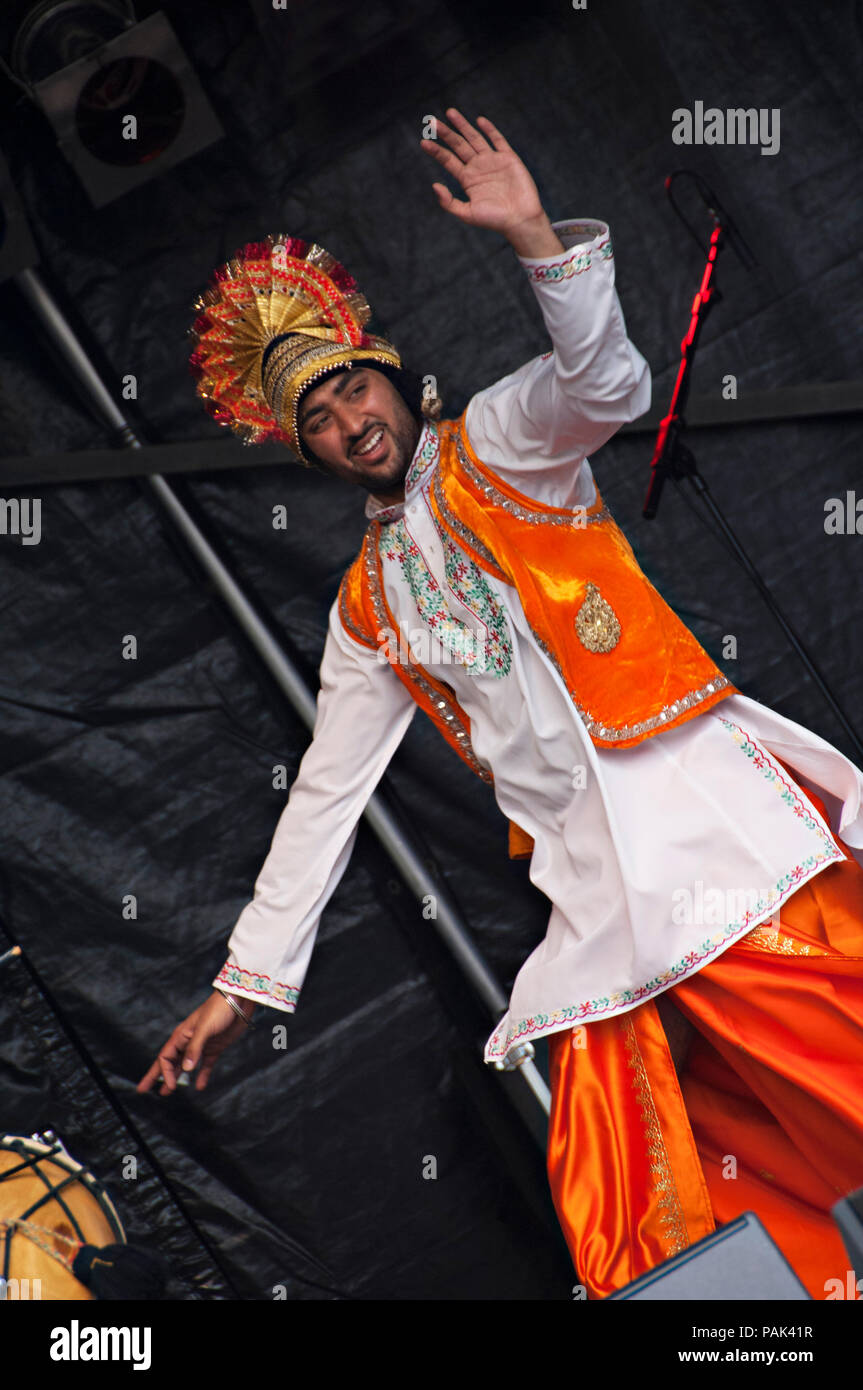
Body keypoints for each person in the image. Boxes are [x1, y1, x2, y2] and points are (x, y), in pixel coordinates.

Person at [139, 109, 863, 1300]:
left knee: (829, 1069)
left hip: (705, 835)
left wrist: (537, 239)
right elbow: (326, 792)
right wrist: (240, 985)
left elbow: (608, 381)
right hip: (589, 897)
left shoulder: (499, 443)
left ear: (387, 376)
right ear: (307, 455)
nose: (347, 422)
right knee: (623, 1185)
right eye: (316, 422)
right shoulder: (364, 606)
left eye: (352, 392)